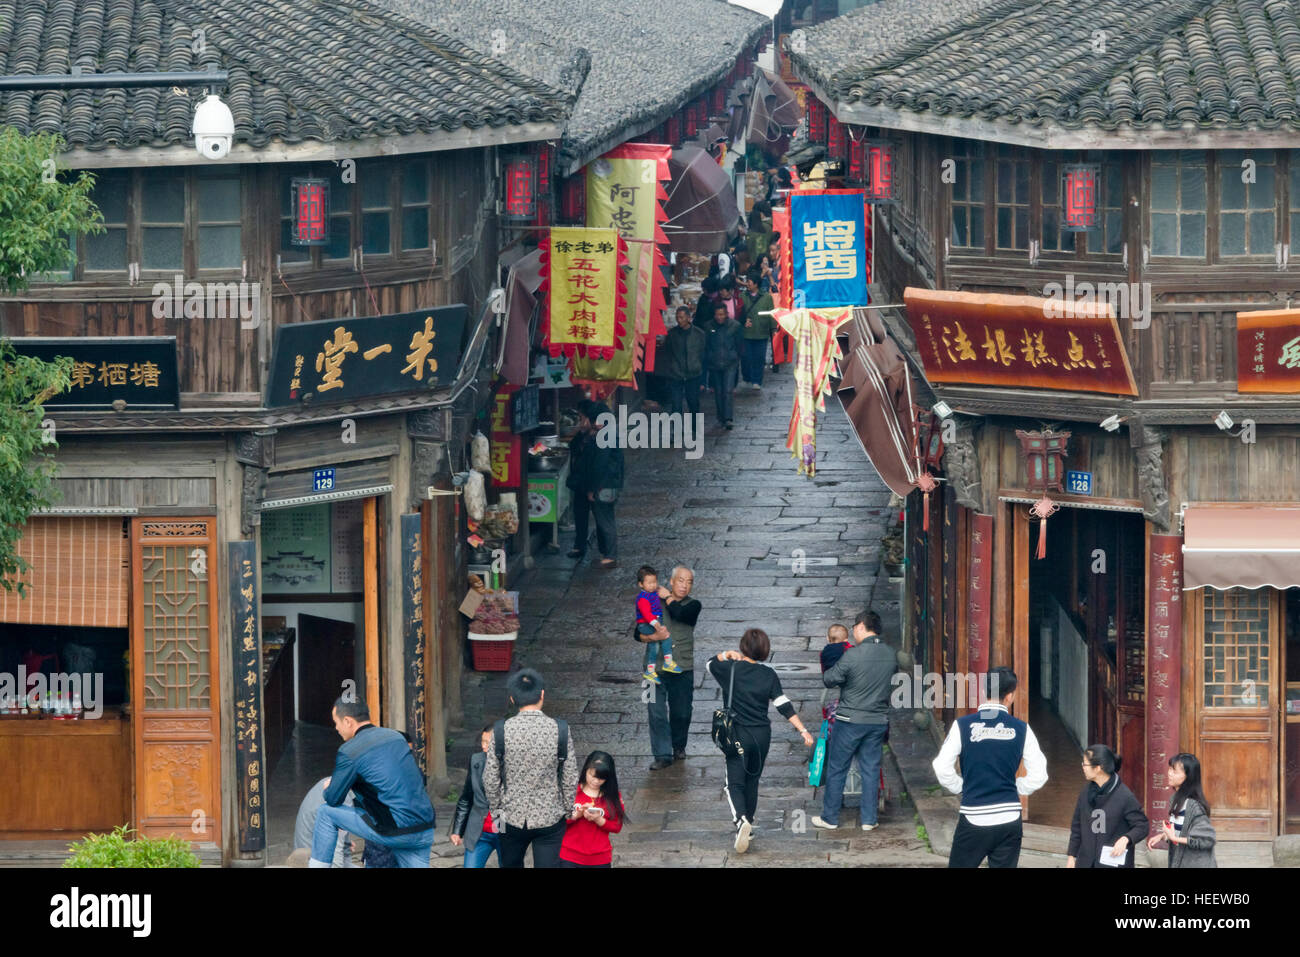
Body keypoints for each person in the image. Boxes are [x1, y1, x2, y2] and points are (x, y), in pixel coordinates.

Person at [708, 628, 815, 853]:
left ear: (742, 646)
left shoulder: (730, 669)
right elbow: (783, 705)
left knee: (733, 783)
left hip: (737, 733)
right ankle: (750, 822)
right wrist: (803, 730)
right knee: (752, 780)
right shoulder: (769, 675)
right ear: (765, 650)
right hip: (761, 735)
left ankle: (741, 821)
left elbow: (710, 663)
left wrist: (726, 654)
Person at [932, 667, 1048, 868]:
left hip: (974, 815)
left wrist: (961, 786)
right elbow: (1039, 774)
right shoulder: (1022, 729)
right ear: (1010, 696)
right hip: (1009, 818)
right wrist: (1017, 787)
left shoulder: (962, 725)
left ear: (983, 692)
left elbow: (941, 767)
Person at [309, 698, 436, 868]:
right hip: (425, 827)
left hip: (395, 830)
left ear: (347, 721)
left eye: (336, 722)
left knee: (326, 812)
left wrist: (328, 788)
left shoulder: (350, 750)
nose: (336, 728)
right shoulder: (396, 737)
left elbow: (333, 799)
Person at [812, 609, 898, 831]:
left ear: (861, 627)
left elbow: (830, 679)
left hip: (849, 719)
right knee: (870, 769)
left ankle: (830, 818)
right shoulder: (890, 654)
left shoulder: (852, 655)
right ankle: (869, 820)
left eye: (854, 629)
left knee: (838, 767)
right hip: (877, 720)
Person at [483, 669, 578, 868]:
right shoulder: (559, 729)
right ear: (542, 694)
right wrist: (568, 810)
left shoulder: (500, 731)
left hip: (510, 816)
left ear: (511, 698)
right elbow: (569, 776)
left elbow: (491, 778)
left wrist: (497, 811)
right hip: (550, 815)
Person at [643, 565, 701, 770]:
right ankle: (661, 755)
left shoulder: (693, 605)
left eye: (689, 582)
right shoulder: (651, 602)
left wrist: (668, 597)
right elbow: (637, 632)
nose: (685, 586)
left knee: (682, 712)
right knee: (655, 712)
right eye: (680, 581)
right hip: (653, 669)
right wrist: (651, 637)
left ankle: (678, 746)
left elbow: (680, 614)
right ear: (671, 581)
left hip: (682, 667)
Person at [1067, 744, 1149, 869]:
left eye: (1085, 764)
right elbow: (1077, 826)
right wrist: (1071, 857)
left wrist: (1126, 838)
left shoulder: (1124, 796)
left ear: (1098, 768)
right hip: (1086, 861)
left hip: (1112, 862)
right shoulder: (1085, 792)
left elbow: (1142, 826)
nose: (1083, 767)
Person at [565, 399, 622, 568]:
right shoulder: (590, 435)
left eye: (584, 418)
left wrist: (593, 489)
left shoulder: (606, 437)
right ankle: (581, 546)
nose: (582, 422)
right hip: (585, 482)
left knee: (604, 518)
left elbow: (600, 466)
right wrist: (582, 433)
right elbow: (574, 447)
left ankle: (610, 554)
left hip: (603, 485)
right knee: (582, 515)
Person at [1146, 752, 1217, 868]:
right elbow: (1180, 832)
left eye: (1175, 771)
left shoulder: (1195, 806)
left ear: (1188, 777)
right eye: (1169, 769)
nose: (1169, 774)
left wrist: (1173, 838)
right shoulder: (1175, 799)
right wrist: (1163, 836)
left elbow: (1207, 840)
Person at [559, 751, 627, 868]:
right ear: (586, 770)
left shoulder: (613, 796)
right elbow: (557, 823)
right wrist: (575, 816)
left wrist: (599, 820)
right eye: (592, 776)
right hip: (569, 855)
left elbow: (617, 826)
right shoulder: (572, 791)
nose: (596, 781)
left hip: (600, 858)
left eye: (601, 778)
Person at [450, 724, 501, 868]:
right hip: (479, 829)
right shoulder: (476, 760)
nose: (484, 746)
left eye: (488, 742)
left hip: (502, 824)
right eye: (482, 741)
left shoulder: (512, 763)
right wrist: (457, 830)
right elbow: (466, 797)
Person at [291, 777, 356, 867]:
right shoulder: (342, 797)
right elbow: (337, 853)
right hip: (315, 861)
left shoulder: (333, 783)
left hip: (307, 853)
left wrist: (346, 841)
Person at [634, 565, 680, 683]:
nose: (653, 585)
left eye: (654, 582)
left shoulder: (654, 592)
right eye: (649, 583)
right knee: (654, 644)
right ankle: (652, 669)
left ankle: (666, 663)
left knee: (665, 638)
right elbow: (646, 614)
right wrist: (656, 625)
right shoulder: (643, 598)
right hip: (646, 624)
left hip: (655, 621)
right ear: (641, 584)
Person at [703, 303, 743, 430]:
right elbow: (706, 345)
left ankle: (728, 418)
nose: (719, 317)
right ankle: (720, 417)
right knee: (718, 391)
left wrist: (736, 357)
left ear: (726, 314)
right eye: (717, 314)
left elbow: (739, 344)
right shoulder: (708, 327)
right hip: (714, 363)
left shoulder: (735, 326)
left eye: (721, 314)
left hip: (730, 363)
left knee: (727, 390)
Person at [663, 305, 705, 420]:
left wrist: (699, 369)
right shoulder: (672, 334)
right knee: (676, 405)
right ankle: (676, 431)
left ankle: (694, 428)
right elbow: (667, 352)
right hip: (676, 374)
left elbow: (703, 353)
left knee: (693, 403)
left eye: (681, 317)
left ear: (688, 318)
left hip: (693, 374)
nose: (679, 320)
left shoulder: (699, 334)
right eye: (677, 317)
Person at [740, 274, 775, 390]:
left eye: (749, 281)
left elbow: (771, 314)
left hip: (761, 332)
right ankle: (747, 377)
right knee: (746, 357)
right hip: (746, 332)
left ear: (756, 284)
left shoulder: (766, 297)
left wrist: (773, 329)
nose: (747, 284)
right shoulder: (742, 296)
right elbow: (739, 312)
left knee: (759, 358)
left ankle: (757, 380)